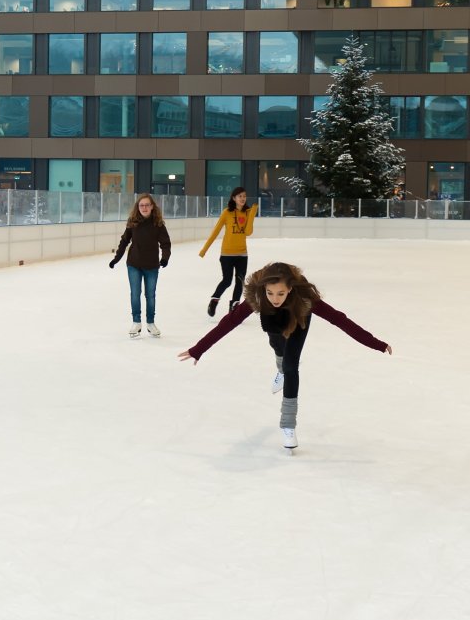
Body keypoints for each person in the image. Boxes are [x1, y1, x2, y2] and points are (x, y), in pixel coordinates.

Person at [179, 261, 391, 452]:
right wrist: (199, 348)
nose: (275, 298)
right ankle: (280, 367)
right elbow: (229, 322)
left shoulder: (305, 298)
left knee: (291, 366)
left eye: (280, 293)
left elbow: (340, 320)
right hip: (272, 321)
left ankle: (288, 425)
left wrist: (376, 344)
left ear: (289, 289)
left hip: (298, 317)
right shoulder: (259, 297)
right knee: (277, 345)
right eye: (270, 293)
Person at [109, 193, 171, 338]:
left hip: (152, 265)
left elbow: (165, 243)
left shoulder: (158, 224)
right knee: (135, 294)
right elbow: (124, 241)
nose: (144, 207)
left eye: (147, 205)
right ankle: (136, 322)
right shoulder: (133, 222)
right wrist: (116, 258)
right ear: (138, 207)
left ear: (152, 207)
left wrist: (165, 258)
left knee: (150, 295)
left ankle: (150, 323)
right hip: (134, 264)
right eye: (141, 205)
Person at [200, 188, 257, 318]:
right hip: (227, 254)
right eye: (239, 196)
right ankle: (214, 299)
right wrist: (205, 249)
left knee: (240, 281)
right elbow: (215, 231)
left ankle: (234, 306)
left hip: (242, 254)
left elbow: (248, 232)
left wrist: (252, 213)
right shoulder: (227, 213)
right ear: (233, 198)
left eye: (244, 196)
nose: (242, 198)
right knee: (227, 280)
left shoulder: (248, 212)